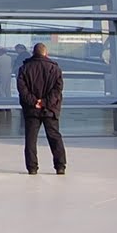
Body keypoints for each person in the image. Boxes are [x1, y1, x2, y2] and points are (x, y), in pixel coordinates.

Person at [17, 43, 66, 174]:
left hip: (32, 110)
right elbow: (57, 90)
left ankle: (32, 168)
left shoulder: (24, 68)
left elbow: (22, 90)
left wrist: (34, 102)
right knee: (54, 137)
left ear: (33, 53)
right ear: (46, 53)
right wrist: (45, 102)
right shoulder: (55, 69)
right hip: (50, 109)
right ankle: (60, 166)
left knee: (31, 139)